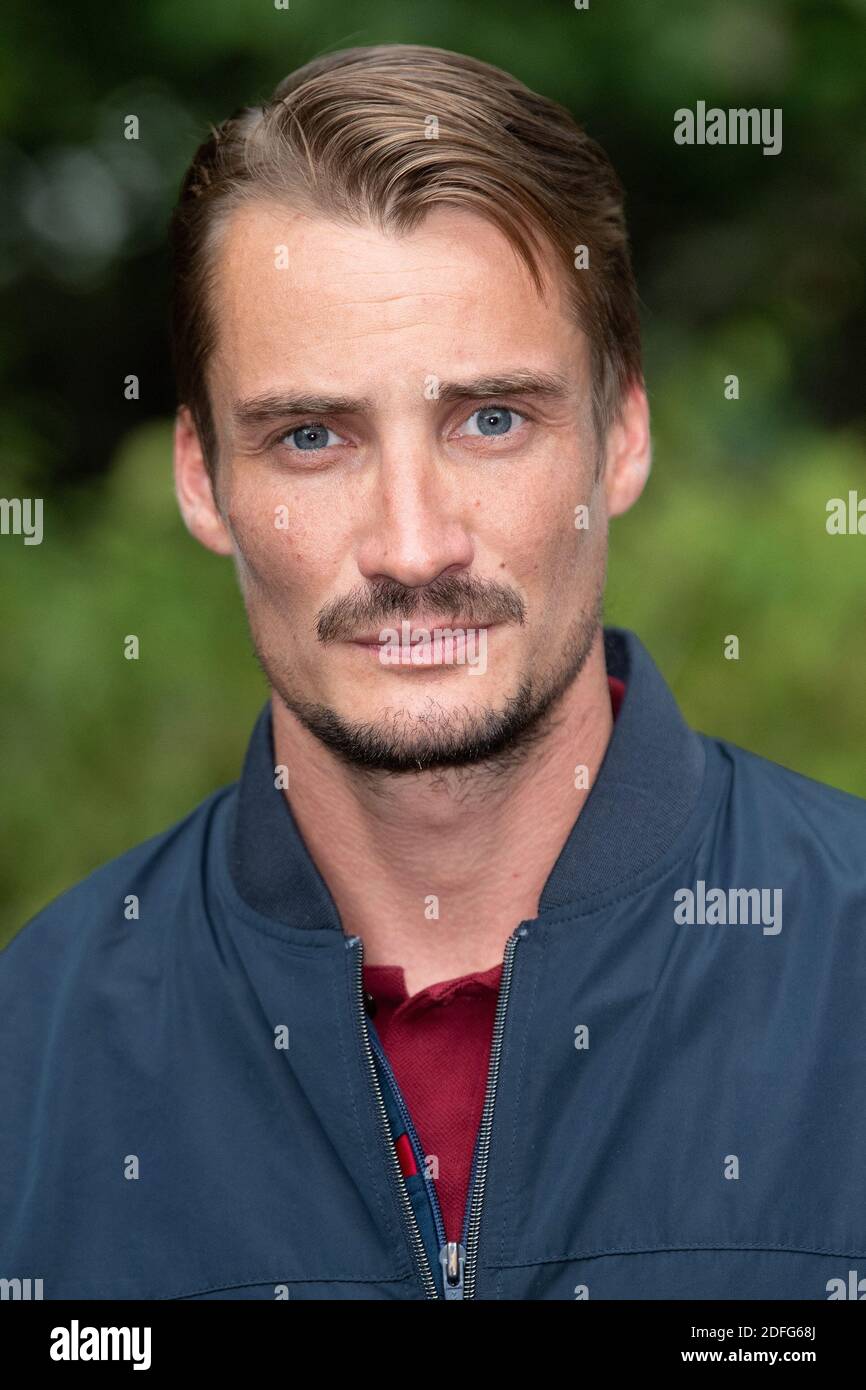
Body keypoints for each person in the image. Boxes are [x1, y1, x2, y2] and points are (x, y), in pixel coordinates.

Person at [2, 44, 865, 1302]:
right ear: (202, 477)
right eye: (310, 436)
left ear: (620, 435)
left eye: (491, 419)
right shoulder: (33, 1050)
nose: (413, 546)